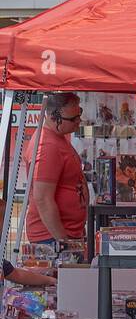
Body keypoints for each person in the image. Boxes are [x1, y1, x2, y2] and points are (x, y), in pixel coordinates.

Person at [26, 92, 89, 245]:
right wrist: (63, 241)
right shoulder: (47, 146)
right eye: (73, 118)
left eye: (79, 114)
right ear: (54, 118)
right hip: (51, 238)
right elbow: (43, 199)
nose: (78, 121)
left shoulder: (57, 137)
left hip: (60, 235)